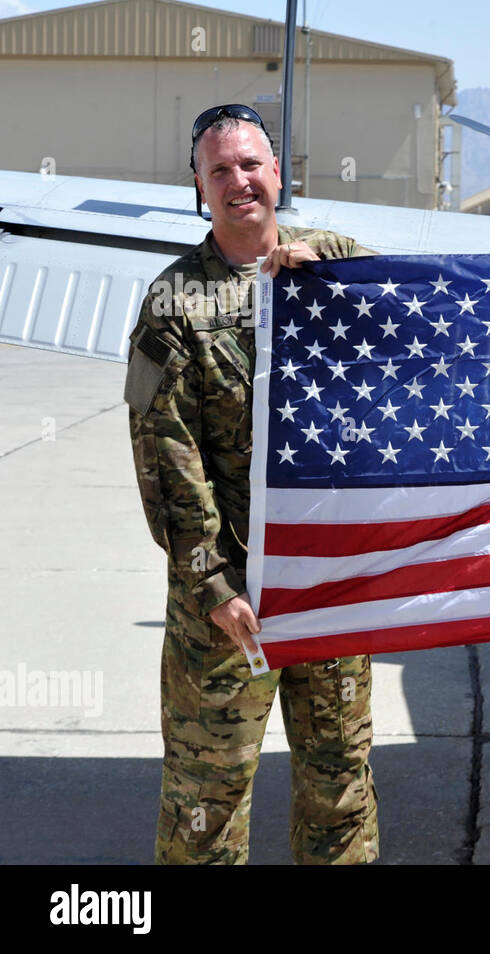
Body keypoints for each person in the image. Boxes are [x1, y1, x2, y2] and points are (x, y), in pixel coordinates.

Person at [124, 105, 379, 864]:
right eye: (220, 170)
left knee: (339, 789)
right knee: (208, 800)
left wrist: (330, 284)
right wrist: (213, 584)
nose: (240, 182)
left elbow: (413, 324)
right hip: (230, 601)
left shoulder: (336, 262)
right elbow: (165, 456)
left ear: (279, 172)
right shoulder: (175, 304)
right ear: (199, 188)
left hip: (326, 581)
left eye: (251, 165)